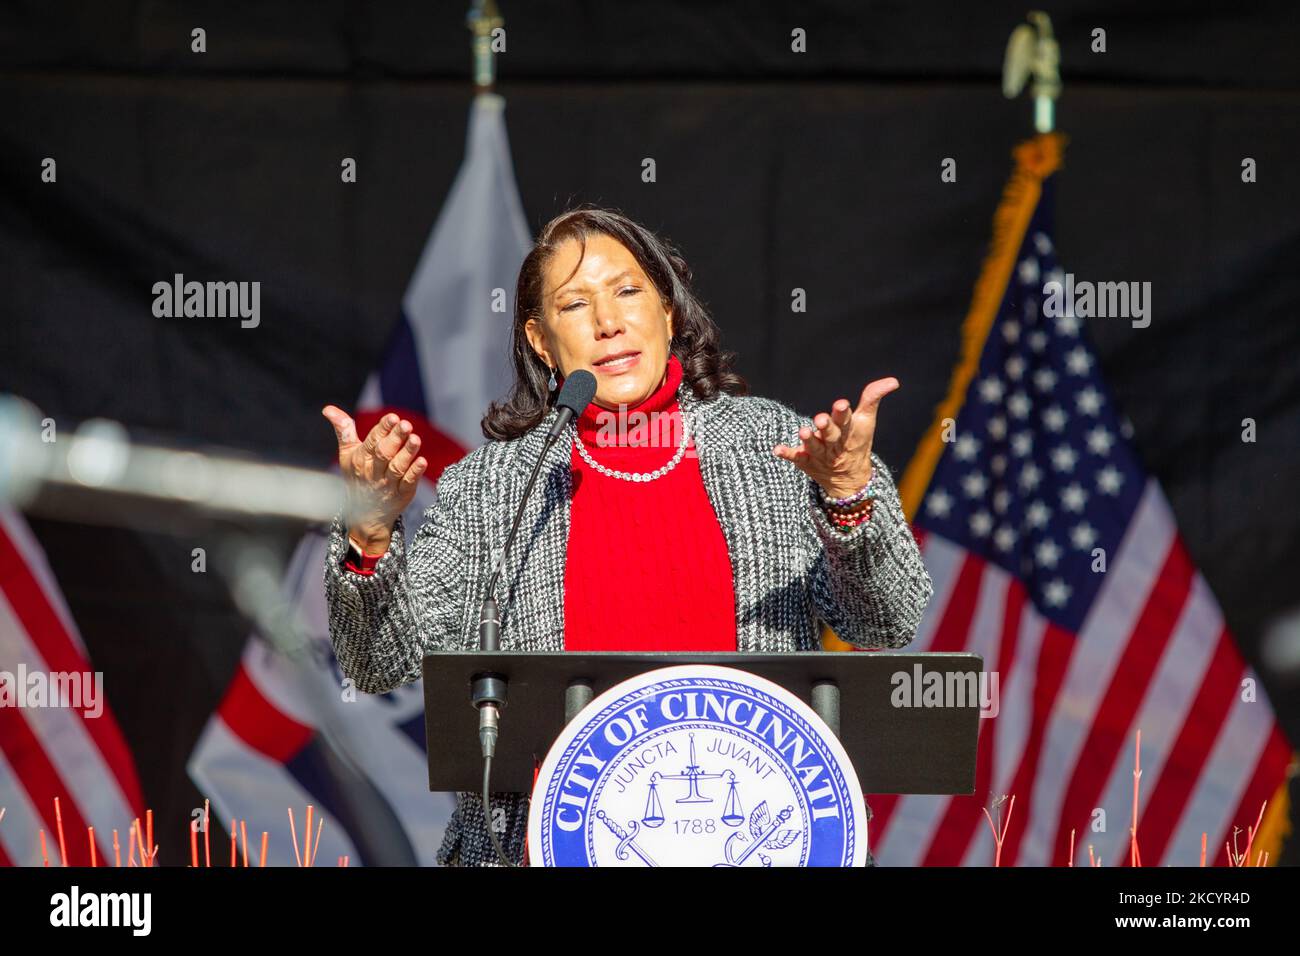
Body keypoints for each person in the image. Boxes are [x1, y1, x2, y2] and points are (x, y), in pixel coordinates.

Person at [321, 207, 934, 866]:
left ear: (667, 311)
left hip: (755, 842)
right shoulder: (494, 486)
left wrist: (846, 494)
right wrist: (372, 532)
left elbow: (888, 616)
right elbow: (377, 663)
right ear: (540, 340)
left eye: (627, 290)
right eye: (574, 304)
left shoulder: (771, 448)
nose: (607, 321)